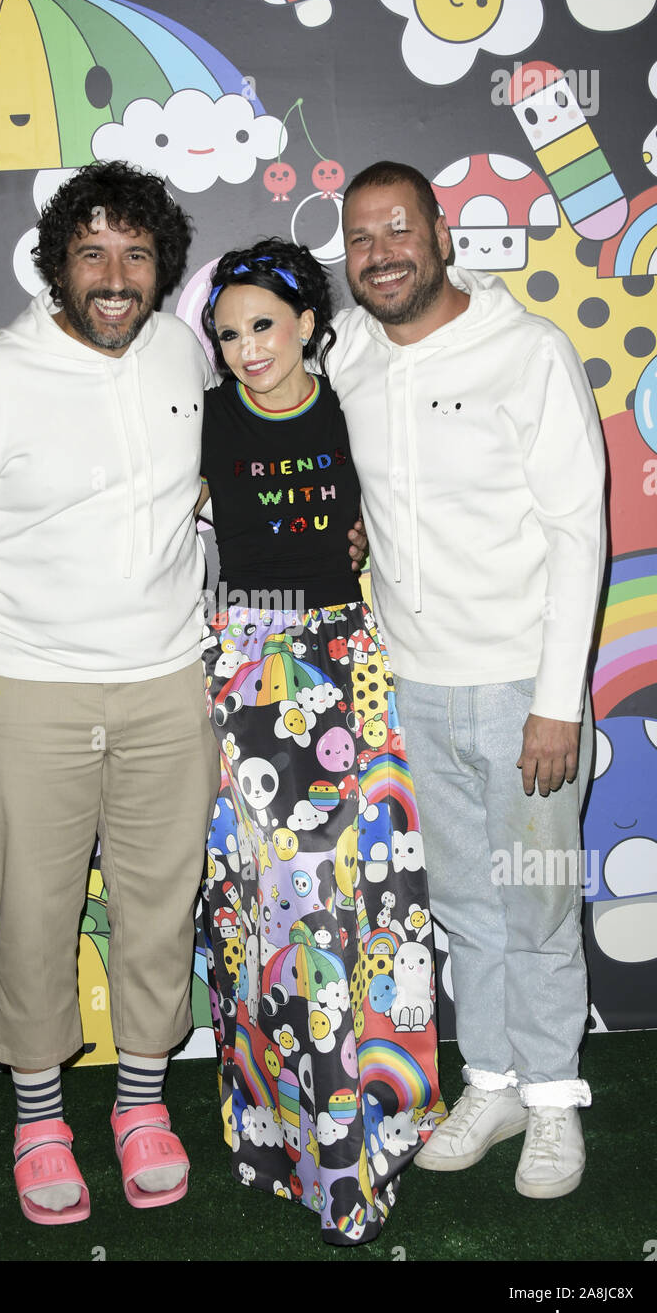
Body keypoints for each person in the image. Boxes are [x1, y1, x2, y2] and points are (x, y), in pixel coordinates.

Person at [0, 161, 226, 1223]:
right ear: (57, 263)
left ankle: (142, 1105)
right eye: (91, 251)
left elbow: (223, 479)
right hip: (26, 692)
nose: (114, 275)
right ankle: (39, 1120)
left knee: (156, 910)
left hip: (165, 688)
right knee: (34, 916)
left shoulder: (186, 351)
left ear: (159, 268)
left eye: (135, 254)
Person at [326, 161, 606, 1199]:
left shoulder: (524, 351)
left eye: (398, 229)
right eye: (360, 238)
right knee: (460, 907)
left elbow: (576, 530)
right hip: (408, 685)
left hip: (515, 688)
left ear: (442, 237)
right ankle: (487, 1083)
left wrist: (551, 698)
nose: (380, 251)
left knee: (532, 902)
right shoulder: (347, 352)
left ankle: (551, 1101)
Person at [197, 238, 444, 1245]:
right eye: (226, 334)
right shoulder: (200, 419)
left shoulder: (360, 404)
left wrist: (373, 544)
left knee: (365, 909)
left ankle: (379, 1127)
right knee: (268, 918)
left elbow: (417, 506)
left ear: (305, 321)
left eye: (262, 324)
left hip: (354, 660)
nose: (247, 348)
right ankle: (277, 1135)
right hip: (247, 668)